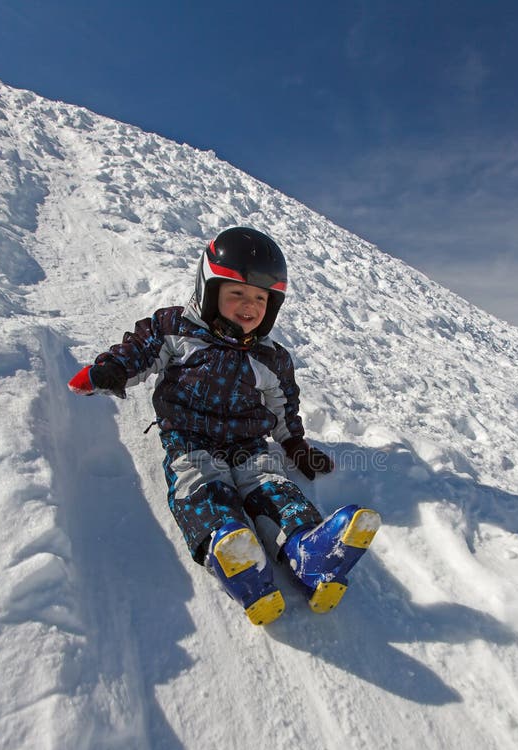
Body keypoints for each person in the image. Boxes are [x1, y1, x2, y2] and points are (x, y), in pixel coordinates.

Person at [69, 226, 380, 625]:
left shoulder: (271, 358)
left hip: (248, 444)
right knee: (200, 485)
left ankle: (310, 550)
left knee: (273, 488)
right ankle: (231, 549)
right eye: (236, 293)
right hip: (189, 437)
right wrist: (112, 369)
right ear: (209, 291)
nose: (248, 306)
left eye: (260, 299)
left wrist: (294, 444)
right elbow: (140, 349)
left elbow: (284, 404)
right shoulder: (176, 329)